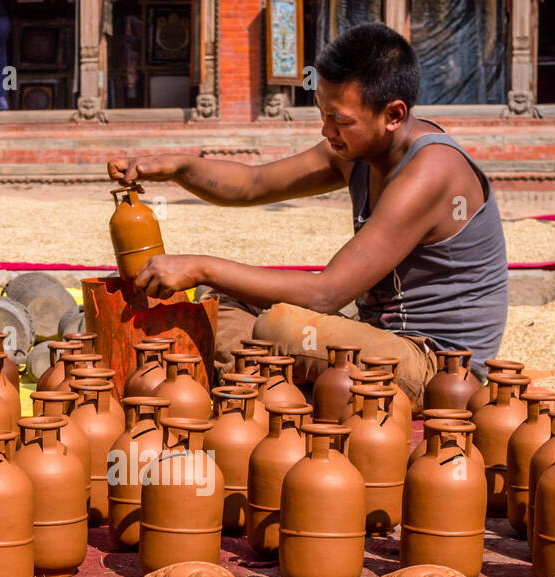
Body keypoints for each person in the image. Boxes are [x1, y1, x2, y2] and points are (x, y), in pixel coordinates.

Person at [106, 21, 508, 409]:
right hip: (374, 334)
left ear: (394, 115)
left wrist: (202, 266)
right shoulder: (359, 151)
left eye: (340, 120)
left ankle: (273, 394)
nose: (326, 131)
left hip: (439, 368)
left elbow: (327, 294)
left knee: (280, 327)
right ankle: (281, 393)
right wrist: (178, 167)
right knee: (224, 301)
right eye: (322, 113)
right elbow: (253, 184)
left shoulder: (431, 172)